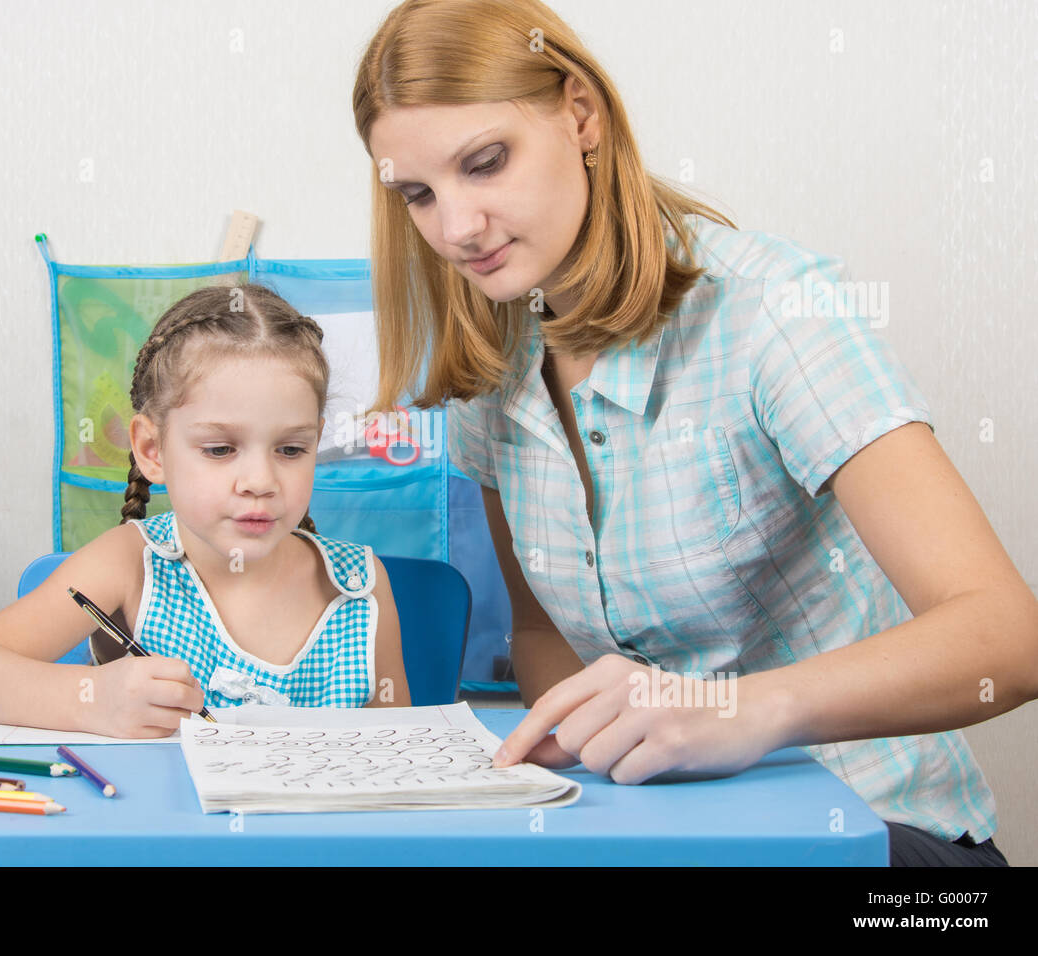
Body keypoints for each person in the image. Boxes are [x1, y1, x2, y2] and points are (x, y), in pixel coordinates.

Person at [352, 0, 1034, 865]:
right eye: (419, 194)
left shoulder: (772, 310)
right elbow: (543, 637)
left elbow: (1006, 639)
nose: (456, 228)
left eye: (485, 163)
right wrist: (578, 765)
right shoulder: (494, 369)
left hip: (878, 835)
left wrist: (738, 712)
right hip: (665, 835)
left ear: (581, 114)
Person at [0, 283, 410, 737]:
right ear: (152, 450)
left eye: (291, 449)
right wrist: (94, 701)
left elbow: (402, 752)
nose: (261, 482)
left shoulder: (361, 586)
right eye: (220, 449)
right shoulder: (129, 563)